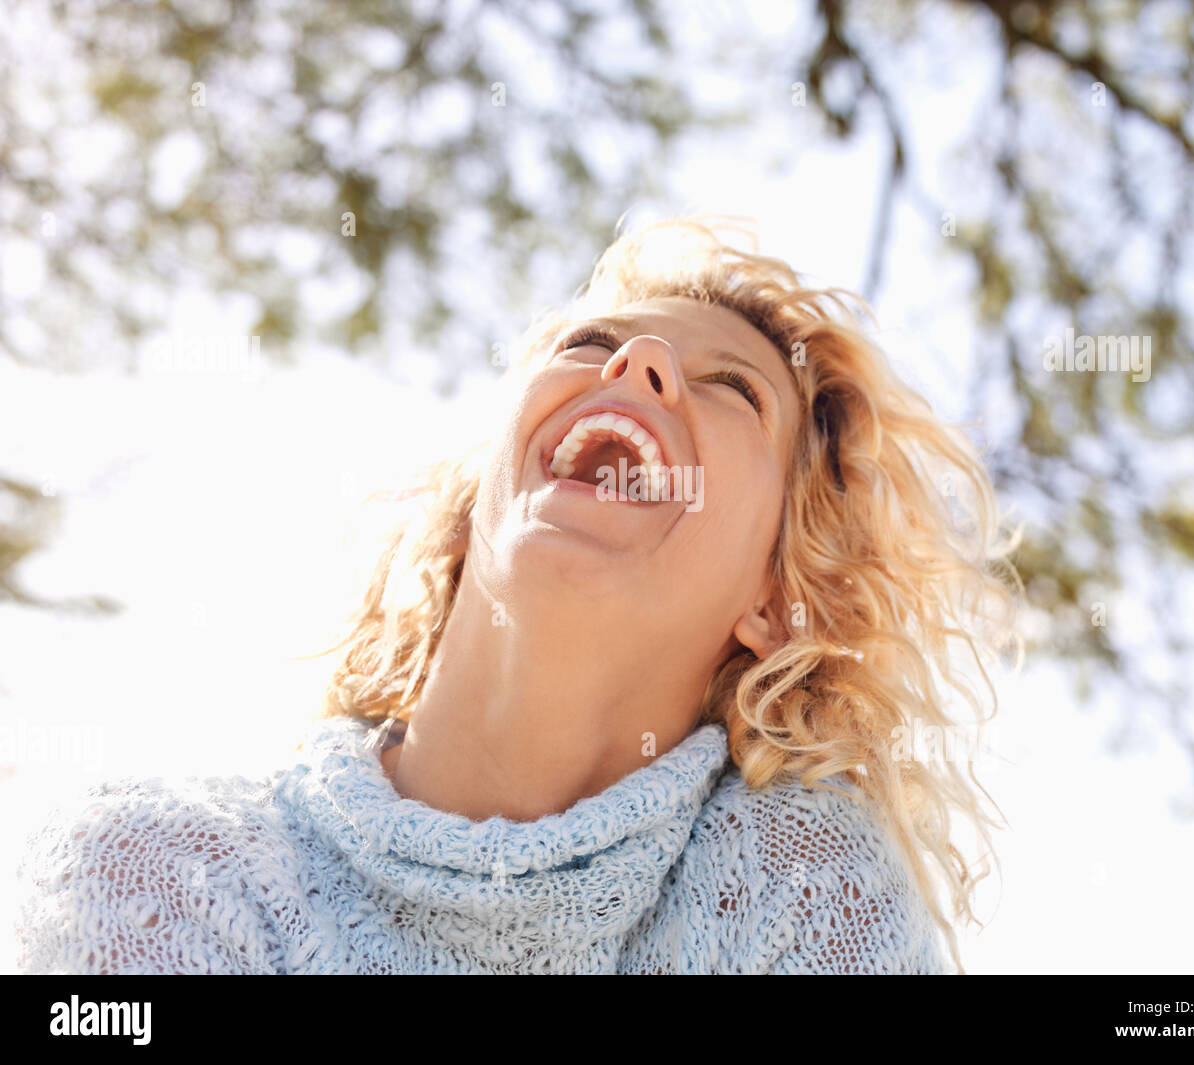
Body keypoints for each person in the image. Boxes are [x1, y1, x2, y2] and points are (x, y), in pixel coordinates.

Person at [15, 216, 1017, 974]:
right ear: (471, 504)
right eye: (590, 347)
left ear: (777, 601)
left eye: (734, 389)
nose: (641, 364)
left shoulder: (806, 891)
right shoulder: (151, 874)